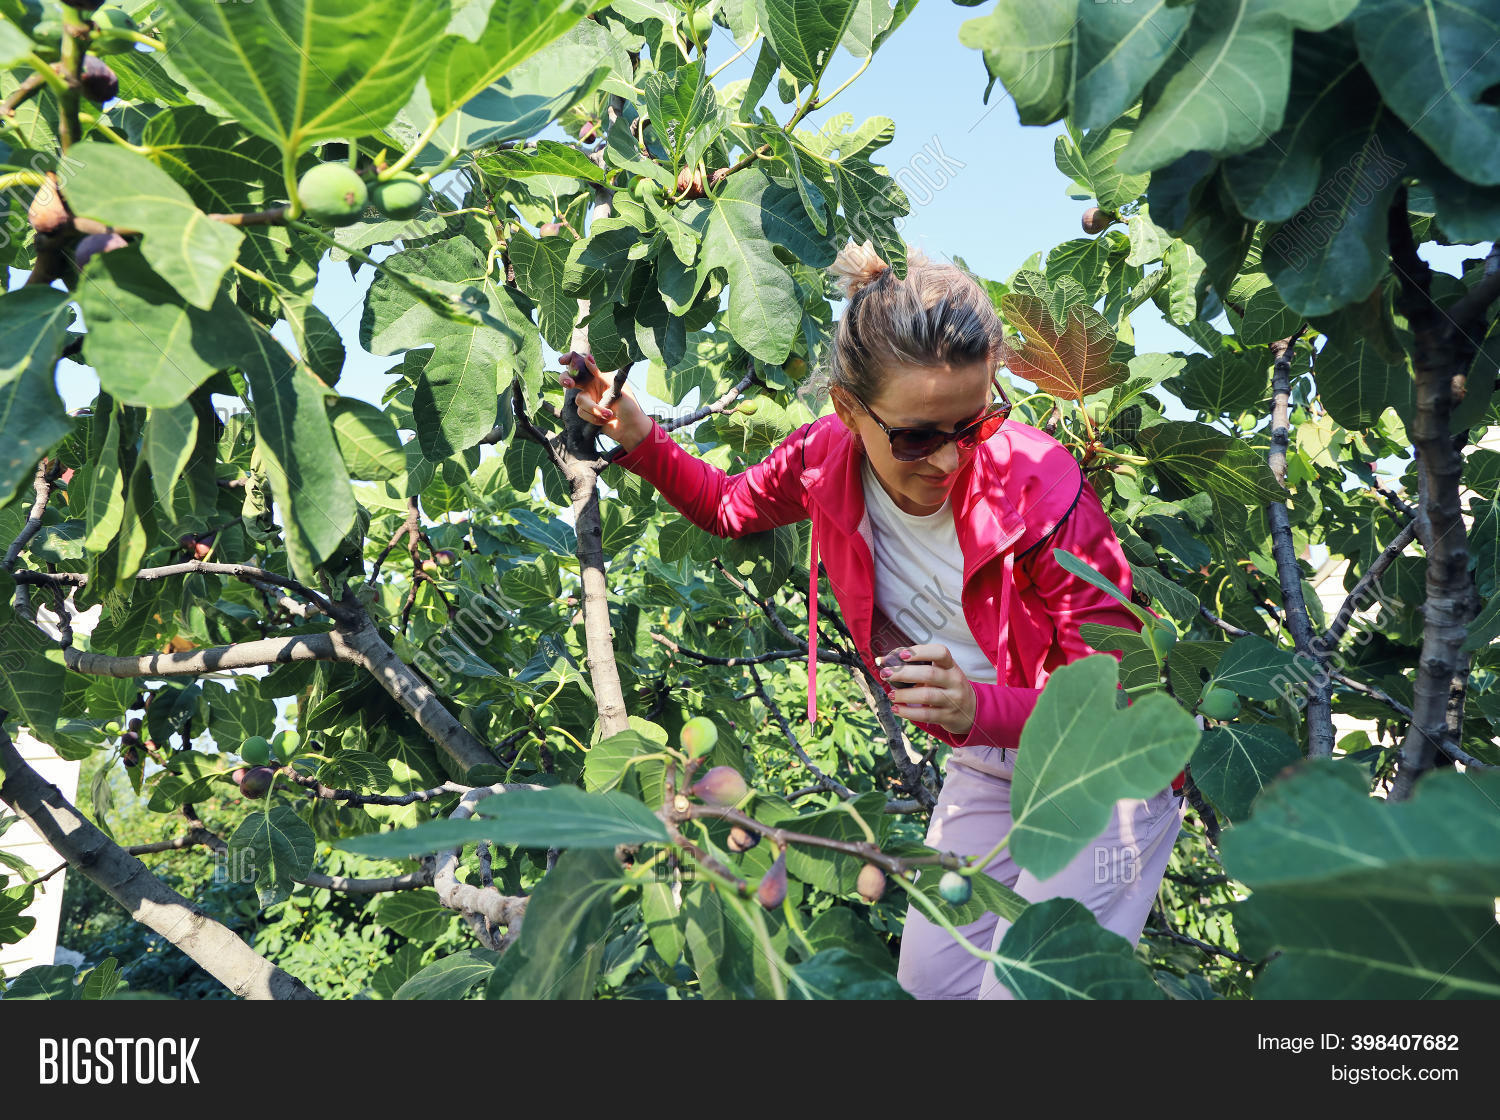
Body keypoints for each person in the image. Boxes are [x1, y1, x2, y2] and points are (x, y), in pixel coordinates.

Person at [561, 239, 1186, 1000]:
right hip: (991, 761)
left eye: (974, 426)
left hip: (1108, 771)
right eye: (919, 436)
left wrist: (976, 705)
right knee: (929, 985)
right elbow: (729, 507)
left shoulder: (1043, 488)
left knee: (1030, 994)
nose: (950, 462)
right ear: (848, 410)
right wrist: (636, 433)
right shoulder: (824, 458)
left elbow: (1120, 696)